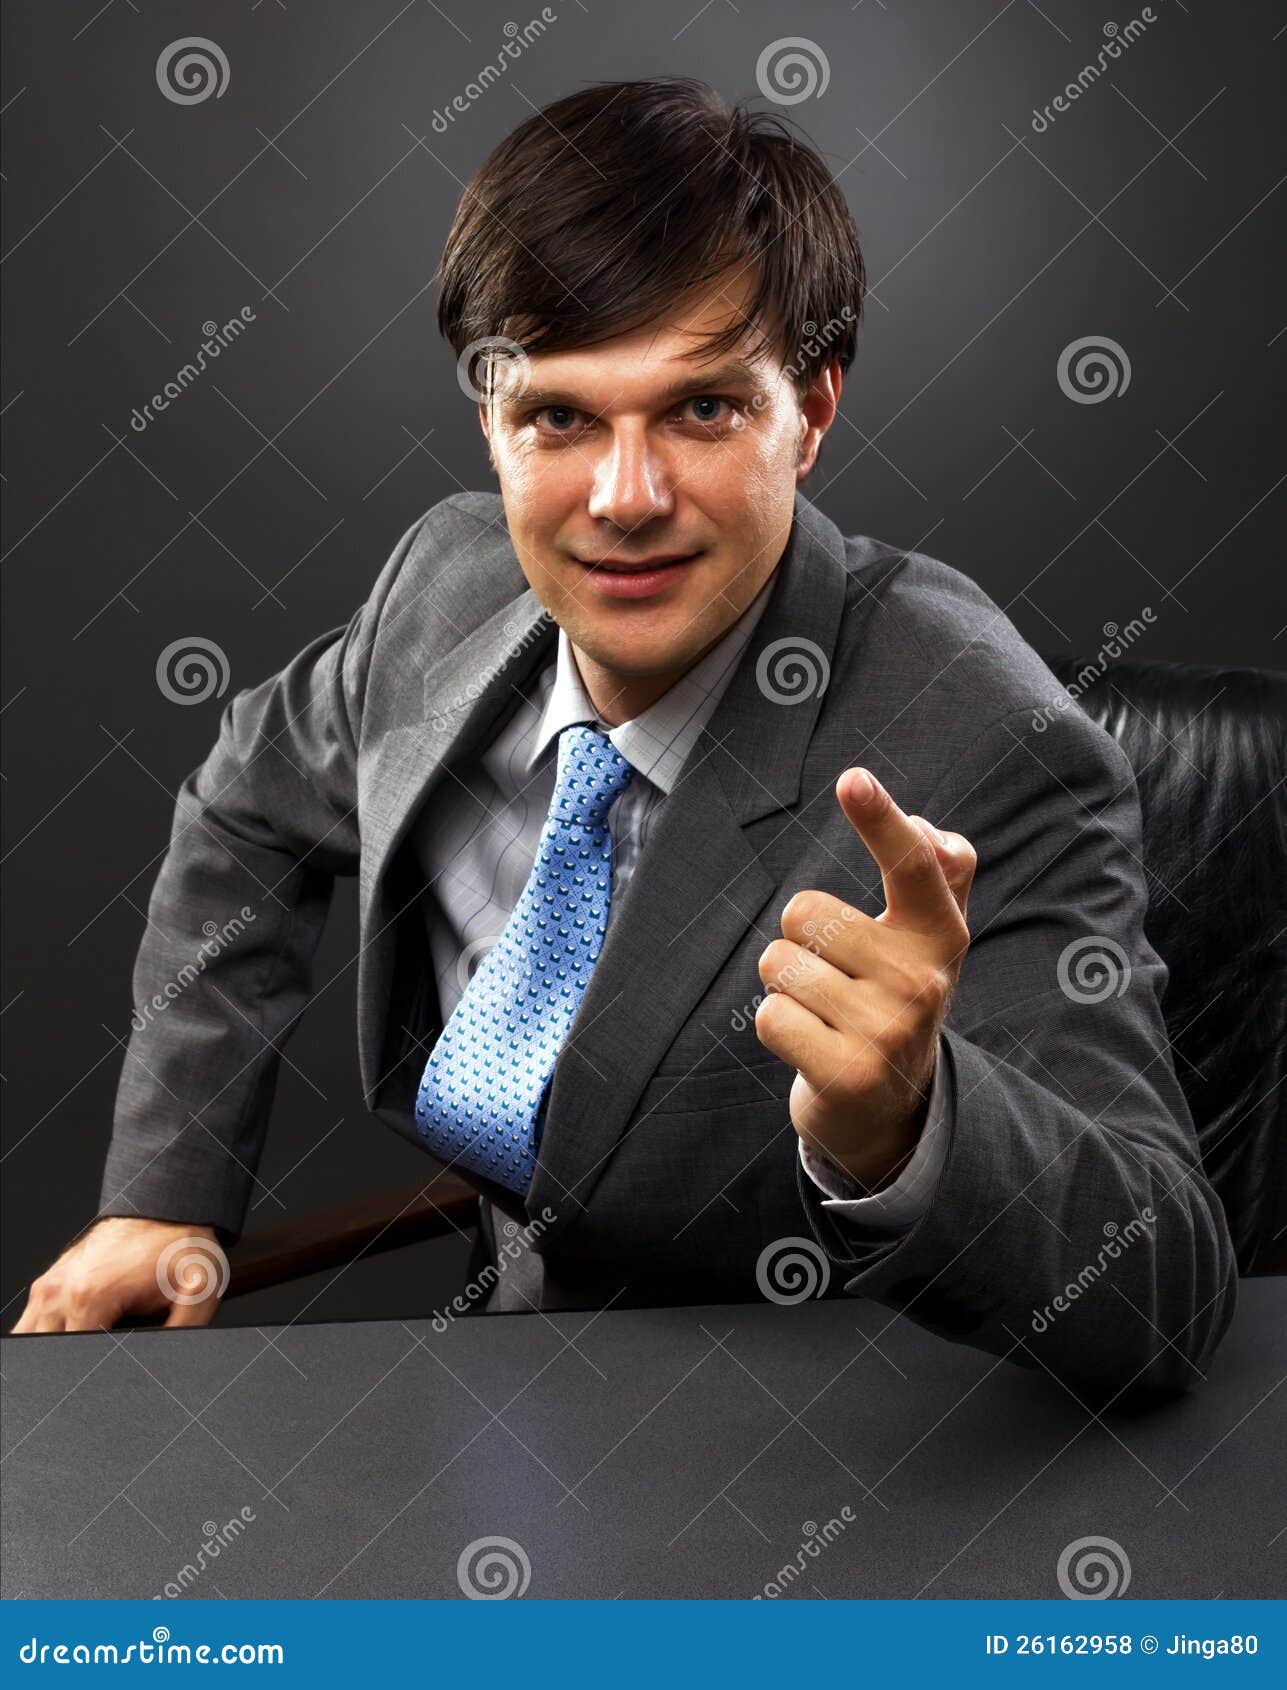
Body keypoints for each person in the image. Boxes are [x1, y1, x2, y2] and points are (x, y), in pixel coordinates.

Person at [16, 78, 1237, 1401]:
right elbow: (245, 805)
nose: (625, 497)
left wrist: (909, 1127)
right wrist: (167, 1191)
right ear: (490, 420)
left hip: (806, 1440)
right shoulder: (440, 588)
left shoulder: (986, 736)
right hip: (487, 1401)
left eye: (703, 410)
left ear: (812, 411)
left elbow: (1166, 1288)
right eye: (560, 416)